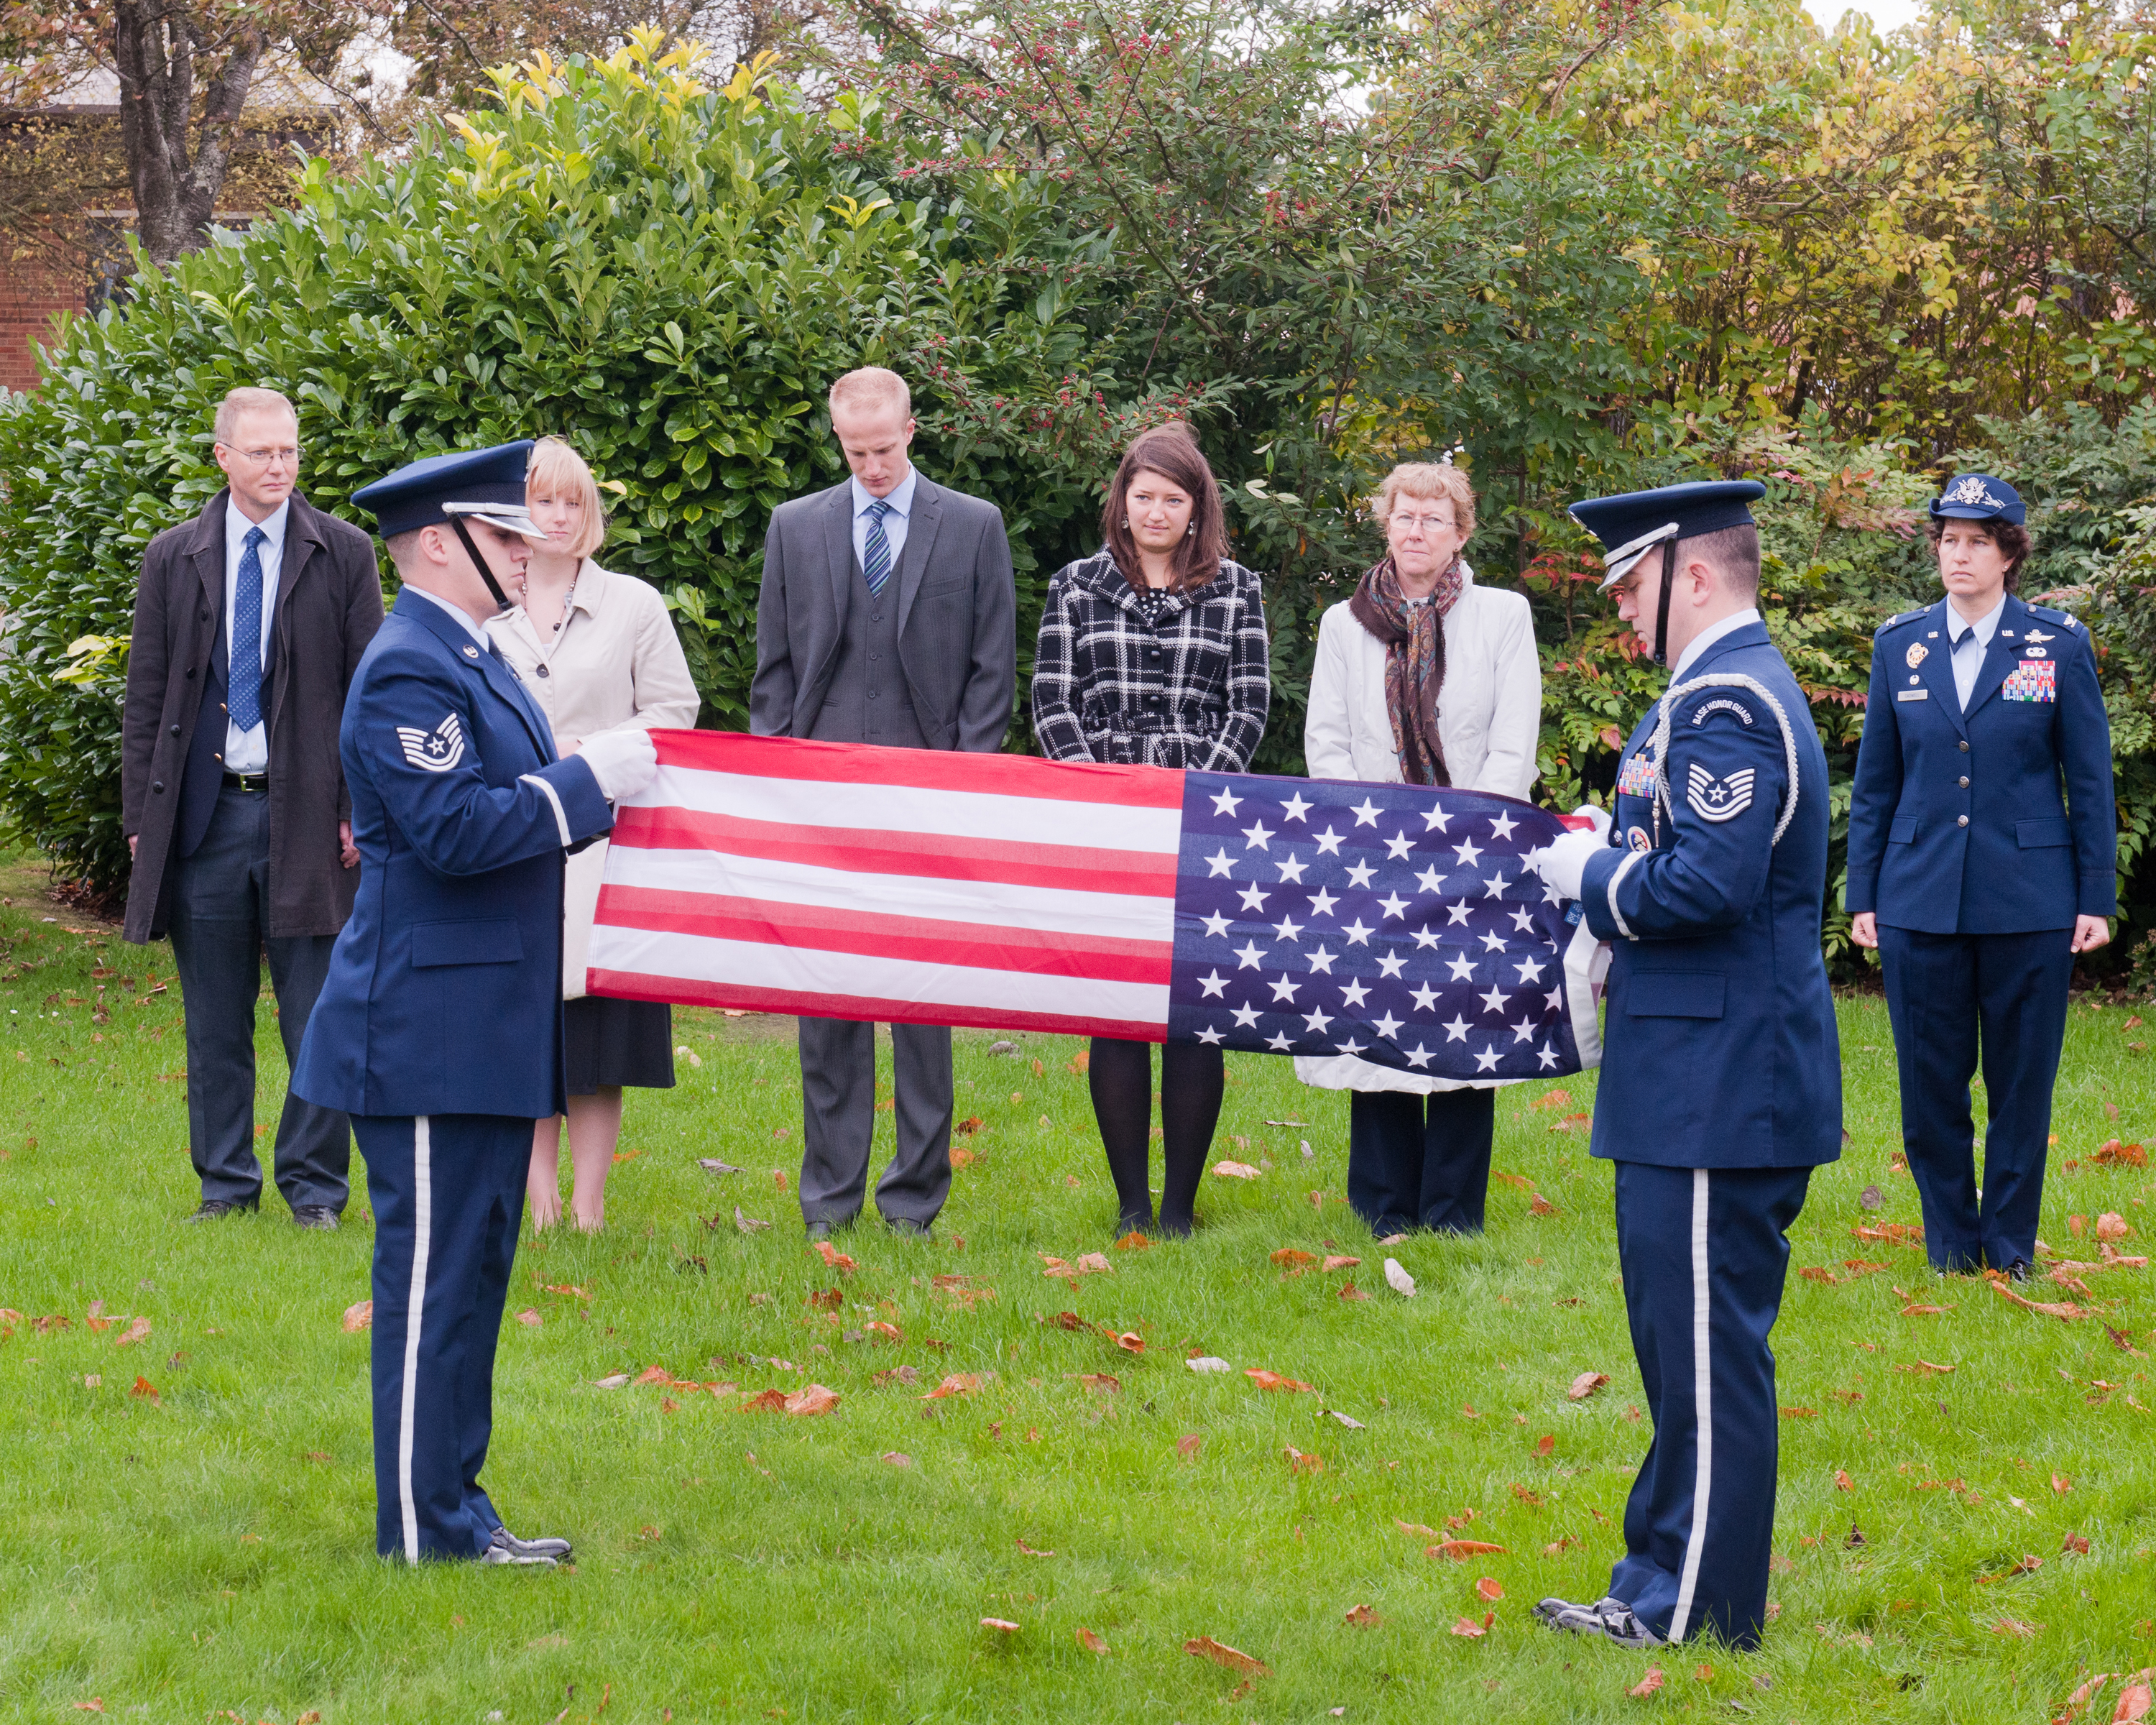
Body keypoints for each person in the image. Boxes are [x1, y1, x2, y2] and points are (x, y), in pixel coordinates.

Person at [291, 441, 658, 1566]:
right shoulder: (410, 663)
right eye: (505, 536)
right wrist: (591, 778)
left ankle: (456, 1506)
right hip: (426, 1031)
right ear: (442, 545)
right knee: (432, 1290)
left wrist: (584, 782)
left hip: (484, 1023)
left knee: (474, 1281)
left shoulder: (471, 654)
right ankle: (420, 1528)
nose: (528, 546)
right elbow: (455, 833)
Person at [1523, 480, 1841, 1652]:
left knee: (1707, 1361)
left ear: (1691, 576)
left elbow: (1710, 886)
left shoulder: (1730, 704)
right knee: (1678, 1353)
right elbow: (1685, 850)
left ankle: (1694, 1615)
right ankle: (1654, 1582)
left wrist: (1590, 882)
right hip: (1687, 1076)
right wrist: (1611, 848)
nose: (1620, 611)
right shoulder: (1706, 694)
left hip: (1722, 1083)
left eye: (1630, 586)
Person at [750, 367, 1018, 1243]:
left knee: (921, 1004)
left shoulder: (973, 527)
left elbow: (991, 670)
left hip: (930, 795)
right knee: (827, 1006)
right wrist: (776, 787)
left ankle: (913, 1200)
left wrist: (965, 789)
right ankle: (829, 1199)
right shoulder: (795, 528)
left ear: (913, 429)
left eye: (883, 447)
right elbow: (775, 672)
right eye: (853, 450)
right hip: (820, 797)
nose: (869, 465)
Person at [120, 386, 384, 1229]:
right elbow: (147, 694)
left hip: (308, 819)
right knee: (214, 1022)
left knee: (316, 1017)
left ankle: (314, 1190)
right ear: (223, 457)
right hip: (204, 822)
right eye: (263, 452)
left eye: (291, 452)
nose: (281, 467)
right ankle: (225, 1187)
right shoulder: (174, 556)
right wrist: (140, 820)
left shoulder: (342, 553)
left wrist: (360, 808)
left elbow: (370, 696)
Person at [1844, 474, 2114, 1279]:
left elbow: (2090, 780)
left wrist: (2094, 896)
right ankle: (1952, 1248)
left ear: (2008, 554)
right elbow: (1876, 785)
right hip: (1920, 896)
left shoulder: (2057, 643)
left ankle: (2011, 1247)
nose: (1957, 555)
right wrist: (1864, 893)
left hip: (2030, 899)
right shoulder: (1901, 644)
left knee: (2021, 1087)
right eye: (1947, 540)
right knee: (1931, 1090)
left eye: (1976, 542)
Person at [1033, 423, 1271, 1238]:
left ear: (1198, 508)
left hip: (1204, 815)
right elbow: (1051, 703)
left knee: (1193, 1012)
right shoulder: (1075, 586)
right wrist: (1106, 793)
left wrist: (1203, 790)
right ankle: (1132, 1204)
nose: (1158, 511)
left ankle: (1179, 1206)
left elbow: (1251, 705)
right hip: (1106, 816)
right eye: (1145, 497)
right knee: (1119, 1010)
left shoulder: (1238, 590)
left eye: (1175, 499)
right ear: (1122, 503)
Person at [1295, 459, 1540, 1240]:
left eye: (1435, 519)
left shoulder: (1503, 617)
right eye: (1405, 516)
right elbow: (1327, 743)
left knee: (1465, 1010)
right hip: (1374, 852)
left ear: (1461, 534)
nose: (1417, 531)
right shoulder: (1344, 623)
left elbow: (1513, 742)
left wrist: (1469, 829)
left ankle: (1452, 1209)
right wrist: (1375, 832)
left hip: (1475, 848)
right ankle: (1383, 1202)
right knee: (1382, 1016)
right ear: (1385, 523)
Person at [487, 436, 700, 1233]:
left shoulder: (634, 605)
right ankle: (535, 1193)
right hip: (511, 837)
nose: (559, 515)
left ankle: (588, 1204)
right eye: (544, 499)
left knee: (598, 1031)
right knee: (524, 1017)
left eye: (573, 501)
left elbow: (675, 710)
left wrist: (591, 754)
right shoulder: (484, 608)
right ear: (516, 512)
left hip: (609, 841)